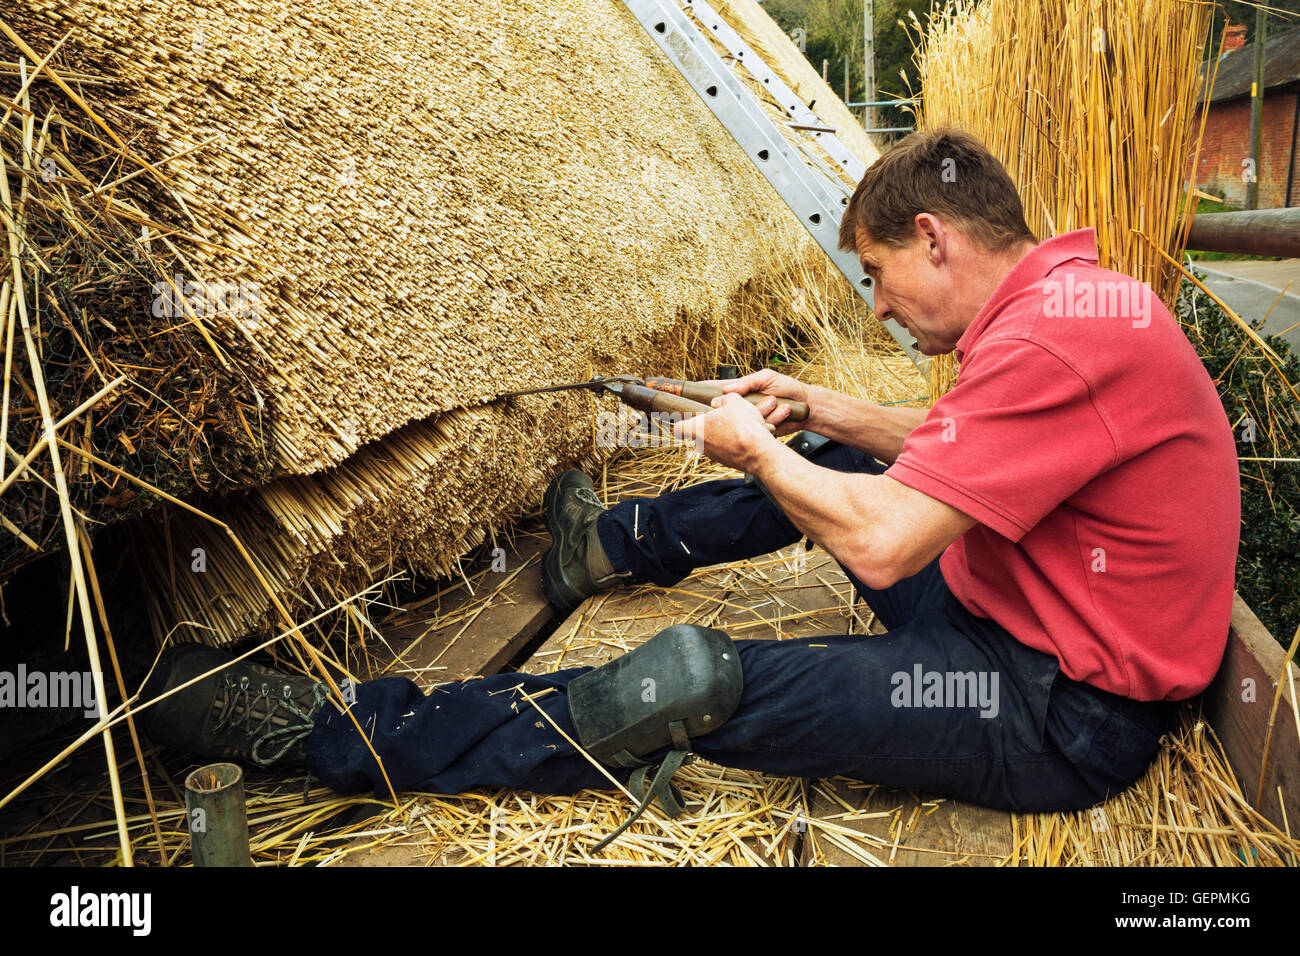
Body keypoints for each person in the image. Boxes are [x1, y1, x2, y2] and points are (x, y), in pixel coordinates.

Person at [140, 129, 1240, 816]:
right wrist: (813, 407)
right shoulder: (1056, 312)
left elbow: (884, 540)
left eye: (878, 275)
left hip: (1048, 715)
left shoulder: (1054, 336)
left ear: (933, 234)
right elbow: (955, 446)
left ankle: (339, 732)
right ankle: (605, 547)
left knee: (694, 679)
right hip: (994, 621)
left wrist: (759, 449)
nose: (879, 309)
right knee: (834, 446)